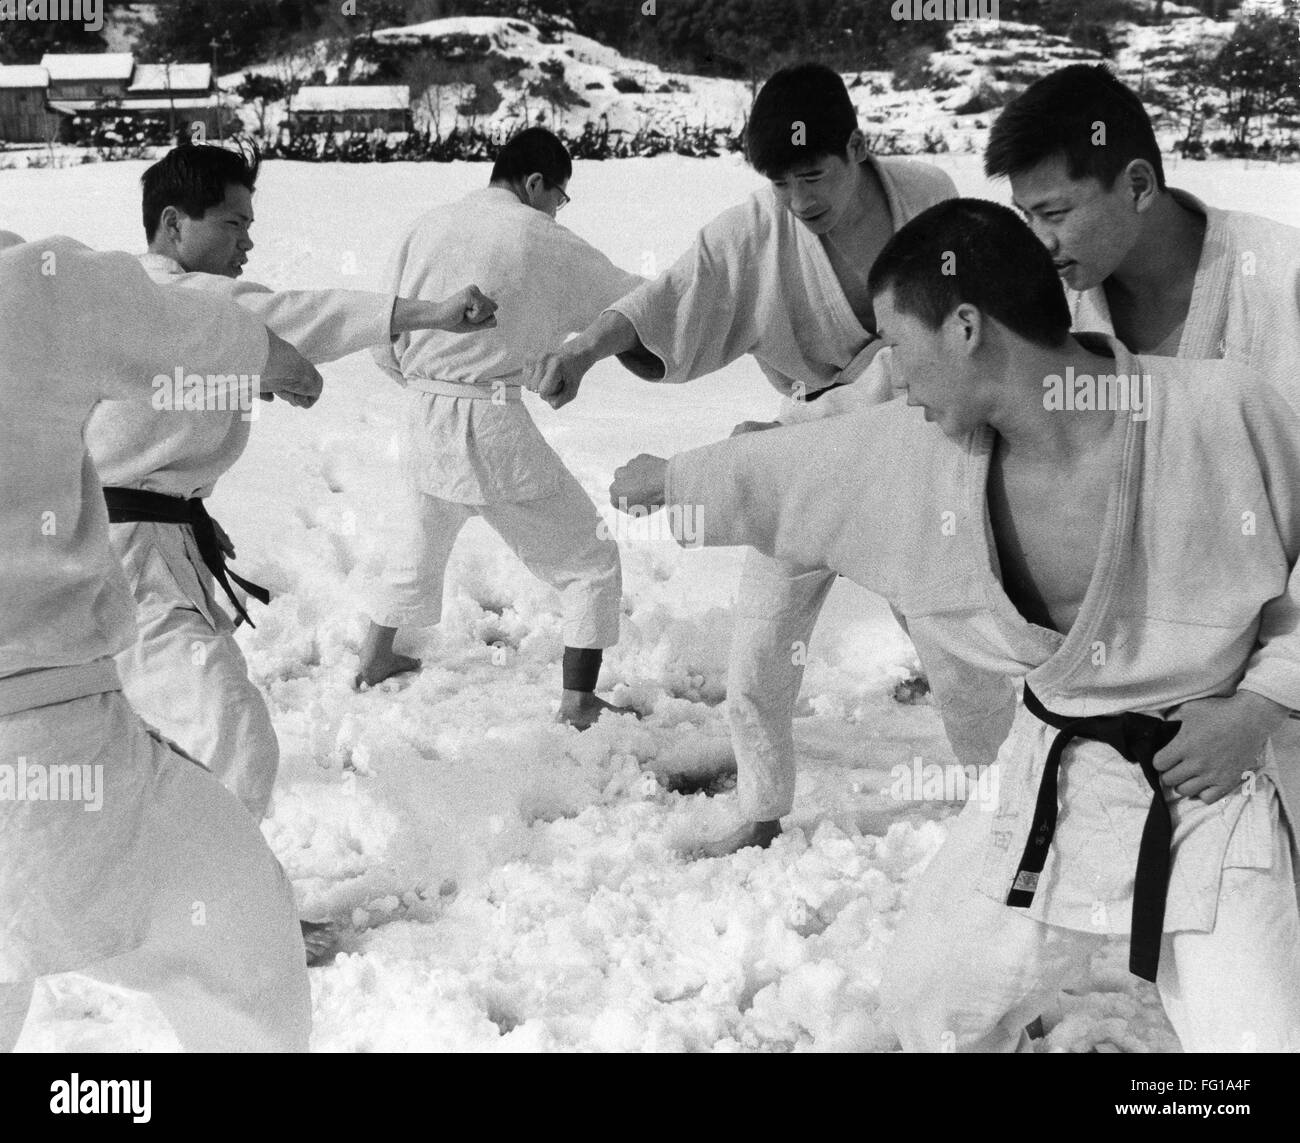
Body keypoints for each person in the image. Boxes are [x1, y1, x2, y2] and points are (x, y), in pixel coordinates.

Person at [606, 199, 1300, 1052]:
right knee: (929, 999)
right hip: (1054, 780)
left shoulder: (1221, 414)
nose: (894, 374)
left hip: (1208, 790)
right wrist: (677, 480)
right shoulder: (926, 457)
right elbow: (799, 469)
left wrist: (1261, 704)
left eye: (898, 347)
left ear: (966, 327)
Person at [526, 63, 956, 854]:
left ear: (858, 147)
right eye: (782, 181)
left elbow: (960, 332)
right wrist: (585, 348)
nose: (801, 199)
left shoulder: (930, 199)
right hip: (793, 454)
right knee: (758, 658)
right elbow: (670, 295)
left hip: (907, 445)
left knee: (954, 637)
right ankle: (761, 813)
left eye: (814, 174)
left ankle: (1012, 799)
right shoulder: (758, 230)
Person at [84, 143, 496, 964]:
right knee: (235, 731)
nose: (246, 240)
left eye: (249, 224)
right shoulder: (192, 299)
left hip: (146, 545)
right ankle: (218, 924)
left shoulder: (129, 300)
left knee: (162, 740)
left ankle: (170, 906)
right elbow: (302, 313)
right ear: (174, 224)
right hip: (128, 554)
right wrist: (431, 312)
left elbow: (259, 337)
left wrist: (269, 370)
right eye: (231, 222)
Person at [1, 232, 321, 1052]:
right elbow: (189, 331)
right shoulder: (36, 286)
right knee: (245, 928)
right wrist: (272, 359)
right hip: (48, 758)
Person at [354, 127, 641, 729]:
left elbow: (384, 328)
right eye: (558, 196)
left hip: (425, 413)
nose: (557, 209)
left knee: (417, 544)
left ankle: (375, 657)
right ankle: (579, 701)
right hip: (492, 421)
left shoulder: (426, 225)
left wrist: (424, 381)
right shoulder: (539, 235)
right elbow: (632, 300)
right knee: (589, 559)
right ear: (535, 183)